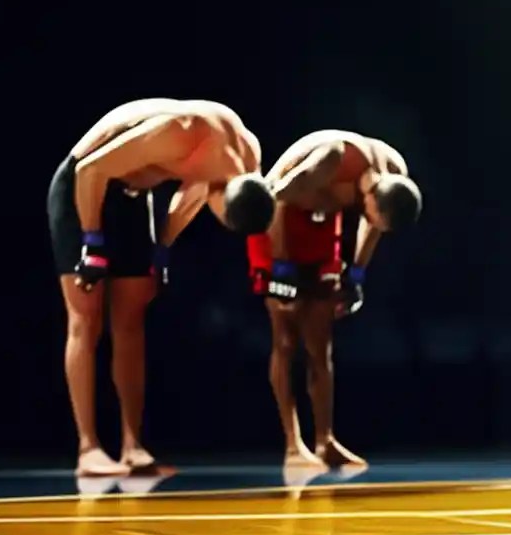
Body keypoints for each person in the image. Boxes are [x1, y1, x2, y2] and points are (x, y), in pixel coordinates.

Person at [48, 98, 275, 477]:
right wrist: (92, 245)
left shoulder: (246, 159)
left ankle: (132, 446)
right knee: (86, 320)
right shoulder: (182, 132)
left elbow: (193, 196)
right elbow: (91, 169)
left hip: (135, 198)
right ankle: (88, 447)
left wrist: (162, 250)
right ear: (226, 194)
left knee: (131, 320)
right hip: (85, 188)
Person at [245, 131, 421, 467]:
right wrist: (280, 269)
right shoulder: (328, 161)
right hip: (277, 225)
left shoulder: (393, 173)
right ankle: (293, 444)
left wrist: (355, 276)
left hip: (325, 227)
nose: (370, 222)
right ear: (369, 198)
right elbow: (274, 198)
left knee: (319, 345)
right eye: (370, 215)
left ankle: (326, 441)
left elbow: (373, 227)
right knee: (285, 339)